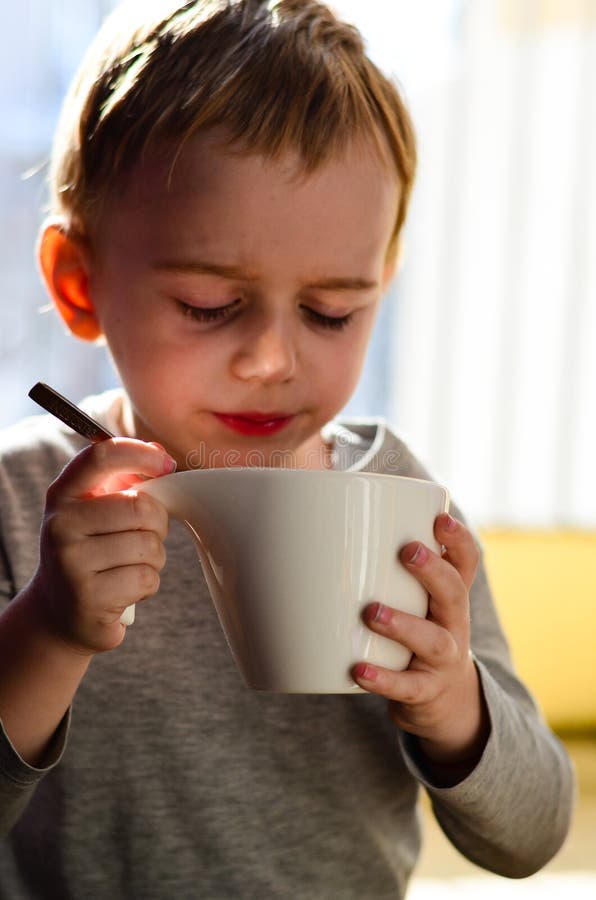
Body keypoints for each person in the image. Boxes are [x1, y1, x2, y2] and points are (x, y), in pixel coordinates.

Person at [0, 1, 574, 897]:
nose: (272, 360)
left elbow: (533, 836)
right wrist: (47, 630)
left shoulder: (402, 506)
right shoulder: (19, 499)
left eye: (332, 312)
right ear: (79, 285)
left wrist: (453, 703)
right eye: (207, 305)